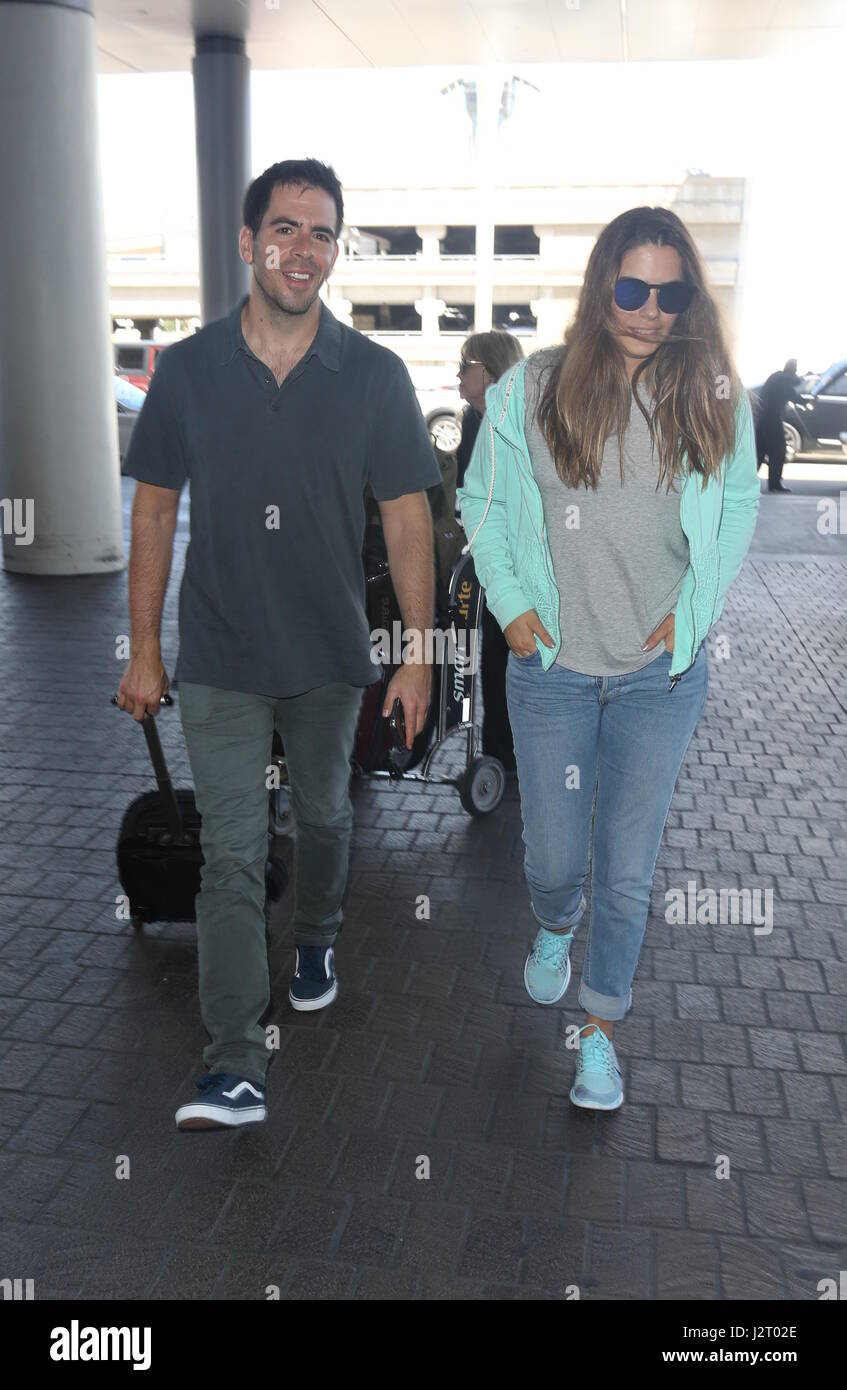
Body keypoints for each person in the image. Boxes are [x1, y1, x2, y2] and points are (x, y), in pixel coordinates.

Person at [116, 158, 443, 1131]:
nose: (304, 249)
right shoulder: (189, 372)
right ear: (250, 238)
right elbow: (154, 508)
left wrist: (419, 653)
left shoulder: (375, 377)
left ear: (338, 251)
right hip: (217, 654)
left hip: (329, 655)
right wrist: (143, 646)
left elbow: (409, 520)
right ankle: (232, 1064)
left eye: (323, 233)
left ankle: (317, 939)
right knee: (231, 850)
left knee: (327, 823)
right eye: (286, 228)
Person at [458, 206, 759, 1111]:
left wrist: (694, 611)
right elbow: (482, 499)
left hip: (655, 680)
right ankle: (554, 922)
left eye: (670, 292)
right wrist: (510, 608)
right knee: (555, 859)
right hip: (550, 666)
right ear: (600, 287)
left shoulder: (710, 393)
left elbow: (738, 504)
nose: (649, 309)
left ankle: (599, 1032)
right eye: (631, 288)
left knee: (626, 870)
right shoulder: (531, 388)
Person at [440, 332, 525, 770]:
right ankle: (498, 747)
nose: (458, 372)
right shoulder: (473, 420)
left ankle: (506, 750)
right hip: (486, 558)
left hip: (518, 562)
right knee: (490, 652)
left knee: (505, 653)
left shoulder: (517, 422)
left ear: (489, 371)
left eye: (465, 363)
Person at [754, 357, 802, 493]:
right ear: (793, 369)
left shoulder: (776, 376)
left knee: (759, 453)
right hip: (772, 421)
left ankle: (745, 484)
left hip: (761, 420)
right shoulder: (785, 379)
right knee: (778, 452)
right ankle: (774, 484)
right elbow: (794, 390)